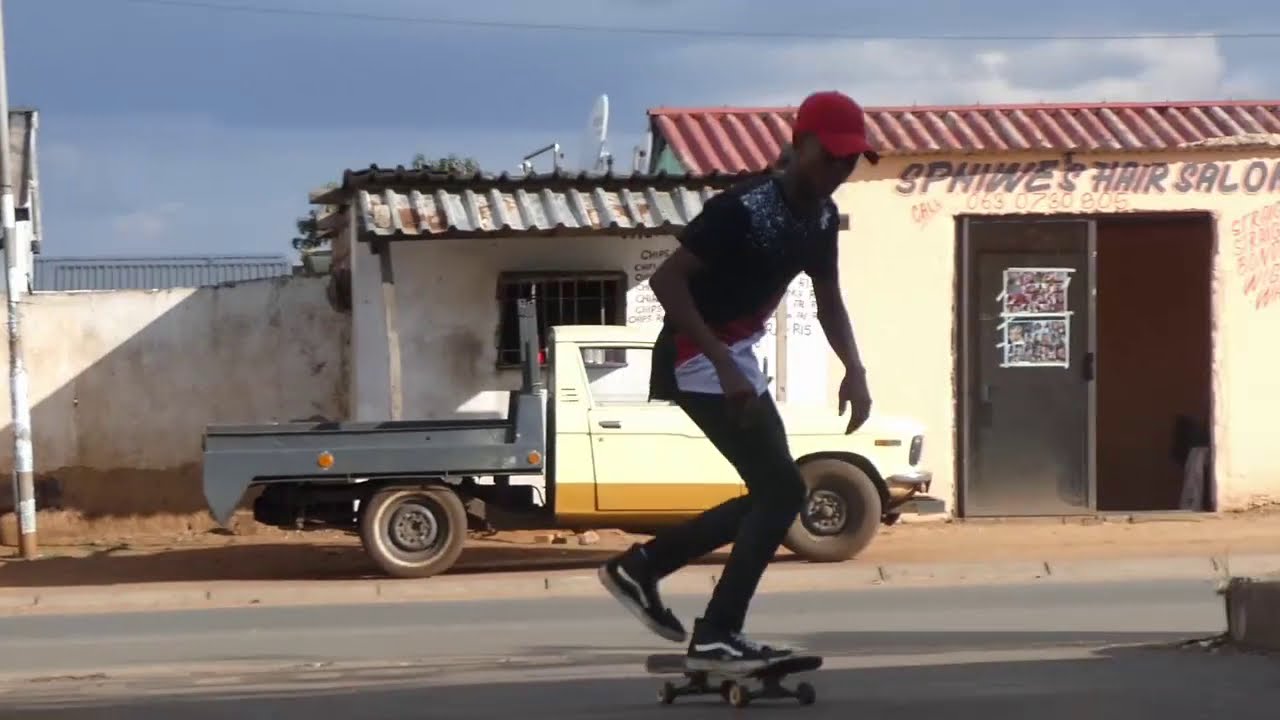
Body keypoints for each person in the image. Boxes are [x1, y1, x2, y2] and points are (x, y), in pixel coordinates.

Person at [597, 90, 878, 672]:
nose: (839, 170)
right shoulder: (742, 208)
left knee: (775, 494)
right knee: (782, 491)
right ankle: (715, 630)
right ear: (799, 145)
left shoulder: (820, 219)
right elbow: (667, 284)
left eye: (850, 161)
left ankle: (645, 569)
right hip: (692, 357)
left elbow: (829, 301)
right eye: (831, 156)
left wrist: (854, 368)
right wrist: (722, 362)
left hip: (734, 358)